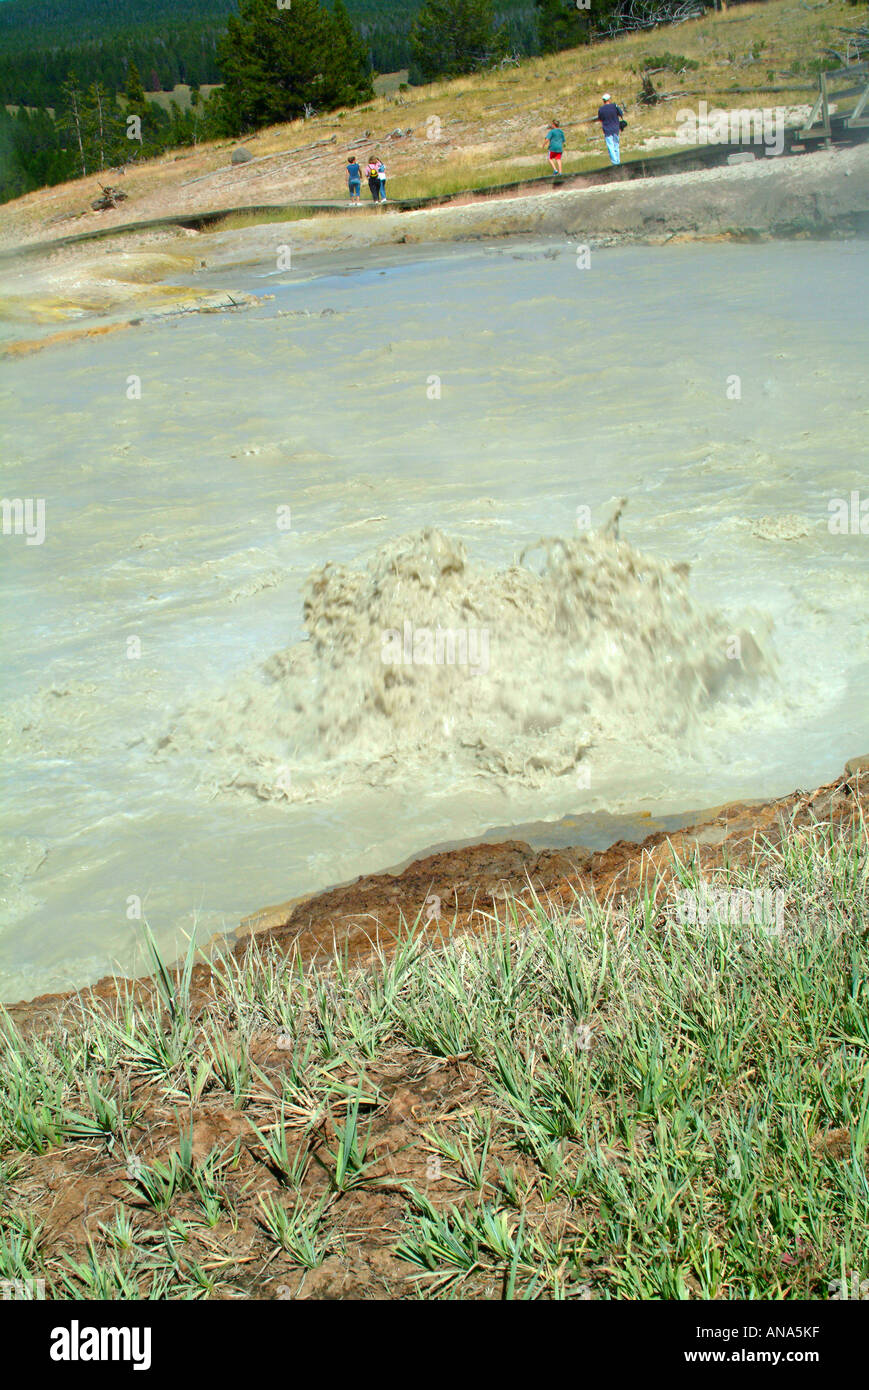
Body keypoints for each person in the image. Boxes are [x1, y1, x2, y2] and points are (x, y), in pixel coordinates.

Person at [597, 93, 624, 166]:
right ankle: (618, 162)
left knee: (610, 147)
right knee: (616, 146)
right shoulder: (614, 106)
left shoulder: (601, 109)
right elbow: (621, 114)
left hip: (607, 129)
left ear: (603, 101)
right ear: (609, 99)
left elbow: (600, 119)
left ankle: (615, 163)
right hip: (616, 128)